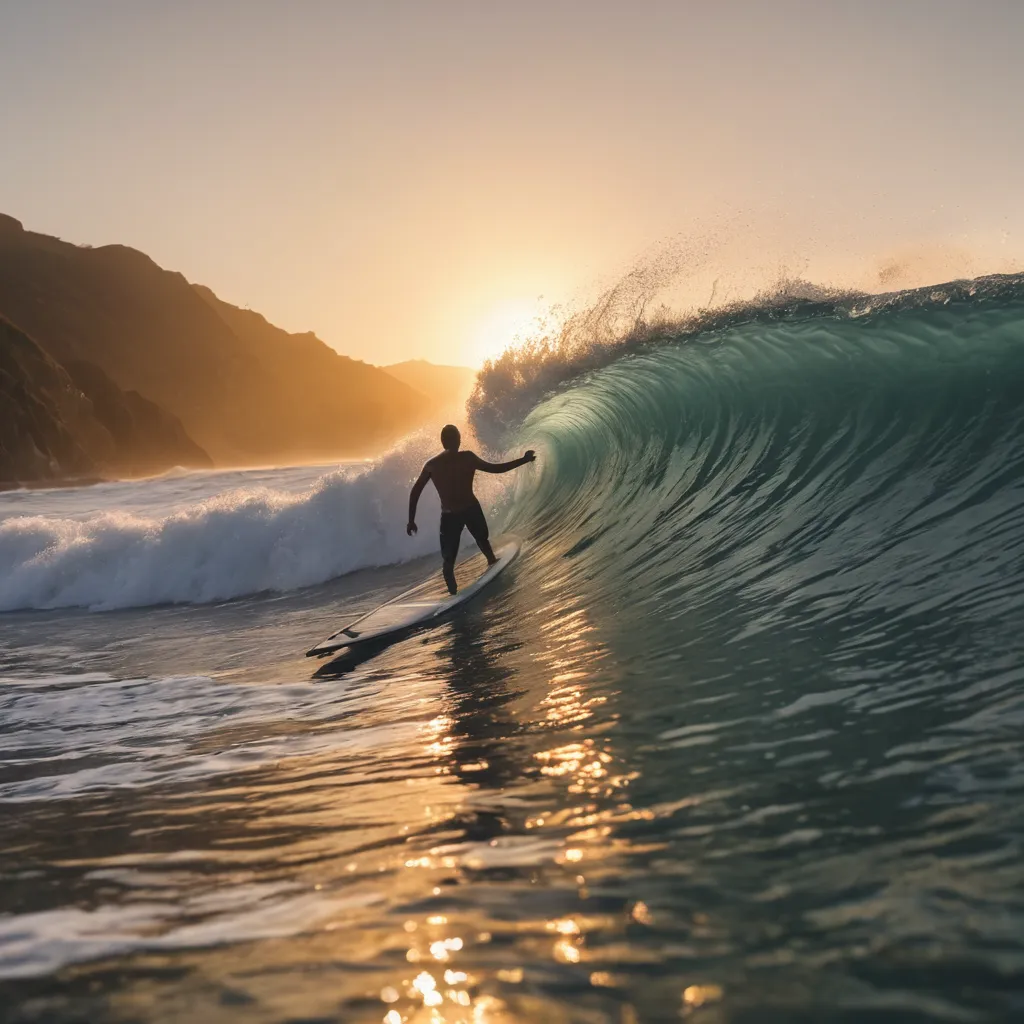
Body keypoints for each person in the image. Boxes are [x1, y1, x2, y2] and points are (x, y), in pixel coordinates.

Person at [407, 424, 535, 594]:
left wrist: (411, 520)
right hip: (469, 510)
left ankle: (453, 593)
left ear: (442, 442)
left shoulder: (432, 465)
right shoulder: (466, 458)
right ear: (458, 440)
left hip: (452, 515)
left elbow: (415, 492)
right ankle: (490, 563)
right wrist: (523, 460)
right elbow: (496, 469)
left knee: (450, 560)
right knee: (481, 542)